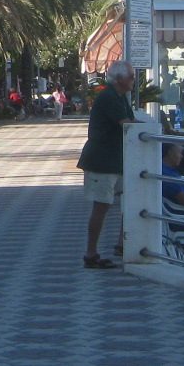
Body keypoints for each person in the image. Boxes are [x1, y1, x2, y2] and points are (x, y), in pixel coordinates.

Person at [78, 60, 135, 269]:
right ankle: (90, 253)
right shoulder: (109, 96)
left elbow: (130, 119)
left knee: (130, 199)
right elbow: (126, 123)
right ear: (120, 78)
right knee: (101, 206)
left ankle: (122, 243)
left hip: (117, 160)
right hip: (101, 160)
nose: (133, 80)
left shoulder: (120, 96)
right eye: (130, 76)